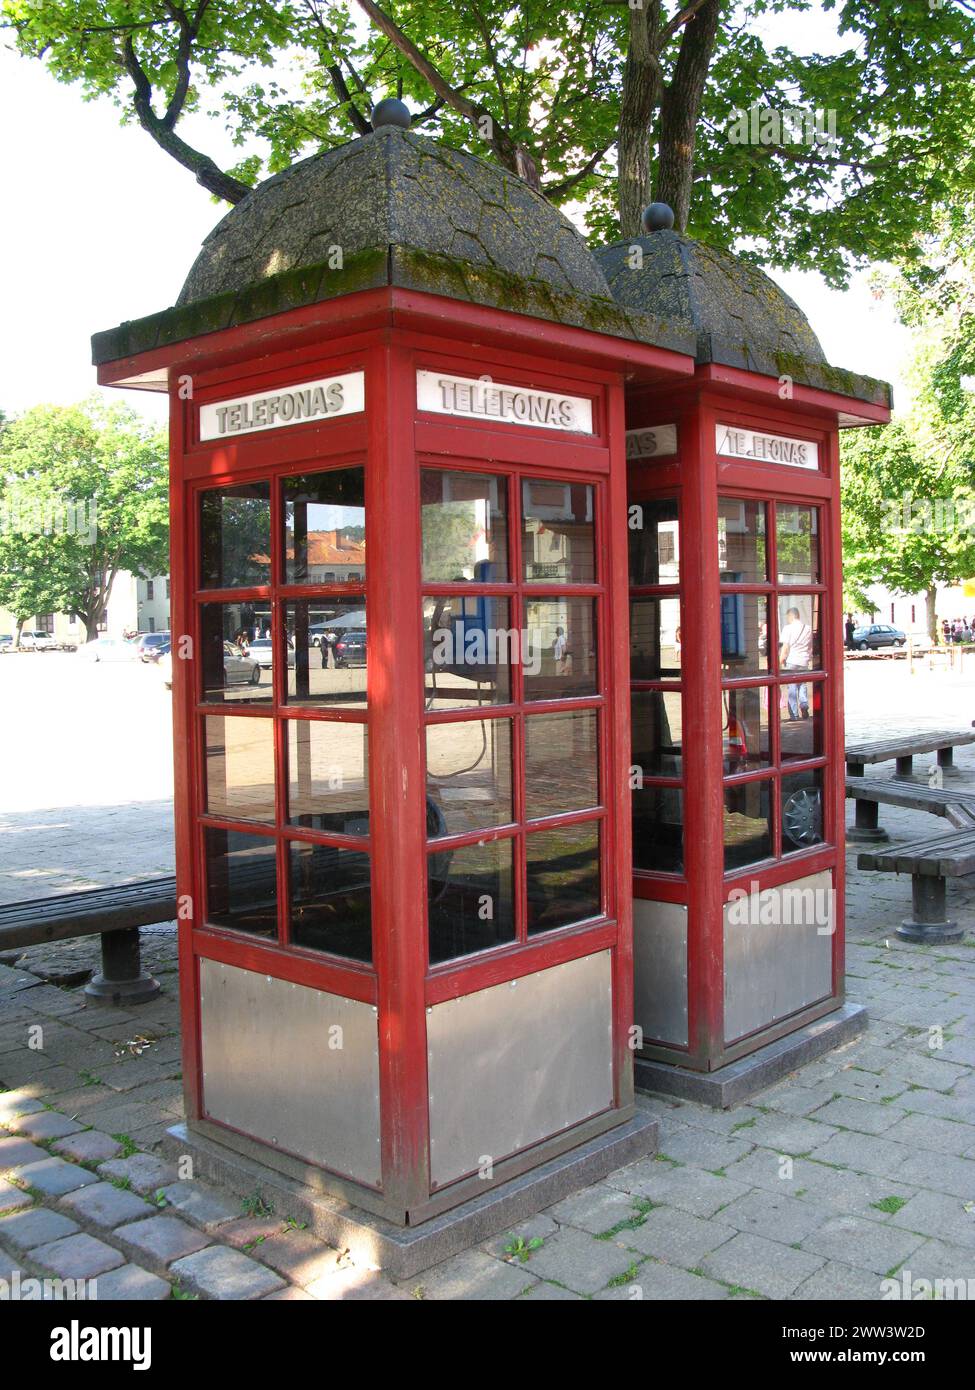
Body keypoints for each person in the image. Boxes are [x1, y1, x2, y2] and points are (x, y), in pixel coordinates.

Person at [779, 606, 813, 719]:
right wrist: (808, 657)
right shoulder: (808, 628)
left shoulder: (787, 628)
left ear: (791, 616)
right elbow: (810, 646)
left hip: (792, 660)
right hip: (803, 660)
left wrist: (781, 659)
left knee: (792, 686)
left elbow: (785, 647)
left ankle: (794, 714)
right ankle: (804, 705)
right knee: (802, 684)